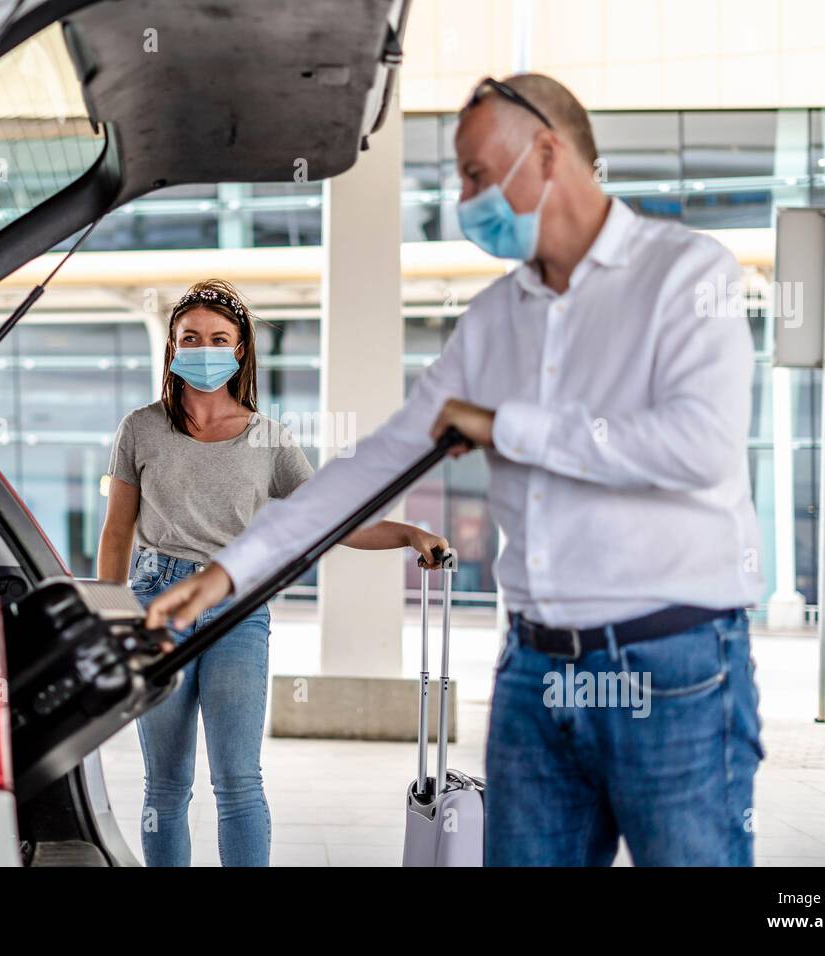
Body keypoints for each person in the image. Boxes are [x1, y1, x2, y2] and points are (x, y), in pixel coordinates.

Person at [144, 76, 767, 866]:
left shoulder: (686, 275)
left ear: (548, 151)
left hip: (673, 667)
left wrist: (509, 427)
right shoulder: (495, 320)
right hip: (535, 669)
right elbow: (375, 462)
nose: (465, 196)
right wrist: (233, 571)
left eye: (476, 174)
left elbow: (699, 446)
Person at [97, 278, 448, 867]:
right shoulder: (141, 428)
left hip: (238, 611)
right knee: (165, 785)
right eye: (189, 337)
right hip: (156, 604)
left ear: (239, 351)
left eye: (216, 337)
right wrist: (113, 618)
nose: (201, 347)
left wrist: (408, 534)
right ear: (172, 348)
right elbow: (116, 532)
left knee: (237, 781)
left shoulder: (270, 439)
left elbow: (330, 520)